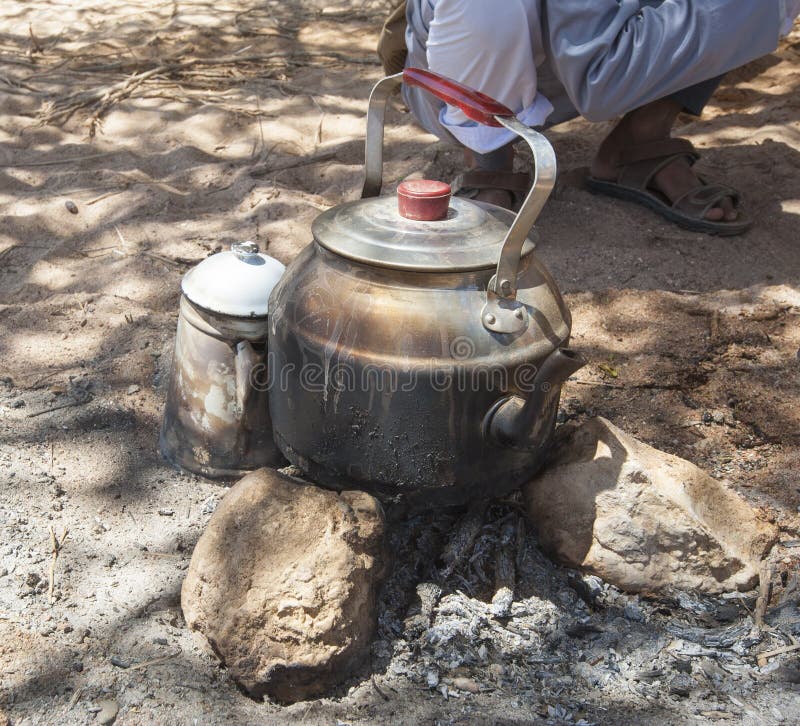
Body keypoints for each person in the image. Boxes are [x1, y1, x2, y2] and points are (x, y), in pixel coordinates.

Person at [384, 0, 800, 235]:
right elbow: (599, 76)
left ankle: (640, 138)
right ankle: (490, 158)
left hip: (580, 49)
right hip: (466, 61)